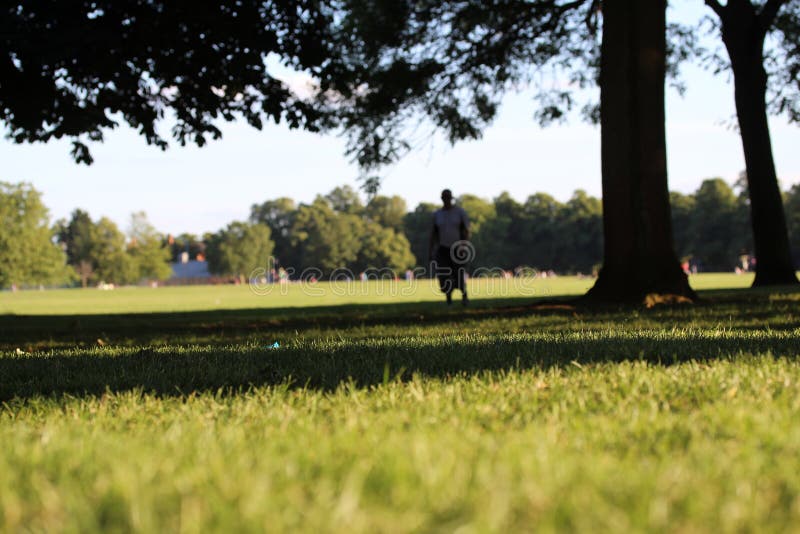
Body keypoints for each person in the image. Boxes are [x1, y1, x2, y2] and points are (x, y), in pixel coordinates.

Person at [429, 189, 471, 305]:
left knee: (458, 273)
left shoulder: (459, 212)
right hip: (442, 249)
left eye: (448, 197)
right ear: (442, 199)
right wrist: (431, 250)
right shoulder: (437, 214)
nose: (446, 200)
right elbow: (433, 233)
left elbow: (466, 231)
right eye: (444, 197)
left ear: (451, 198)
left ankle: (464, 295)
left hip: (457, 248)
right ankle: (448, 298)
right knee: (444, 275)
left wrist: (464, 246)